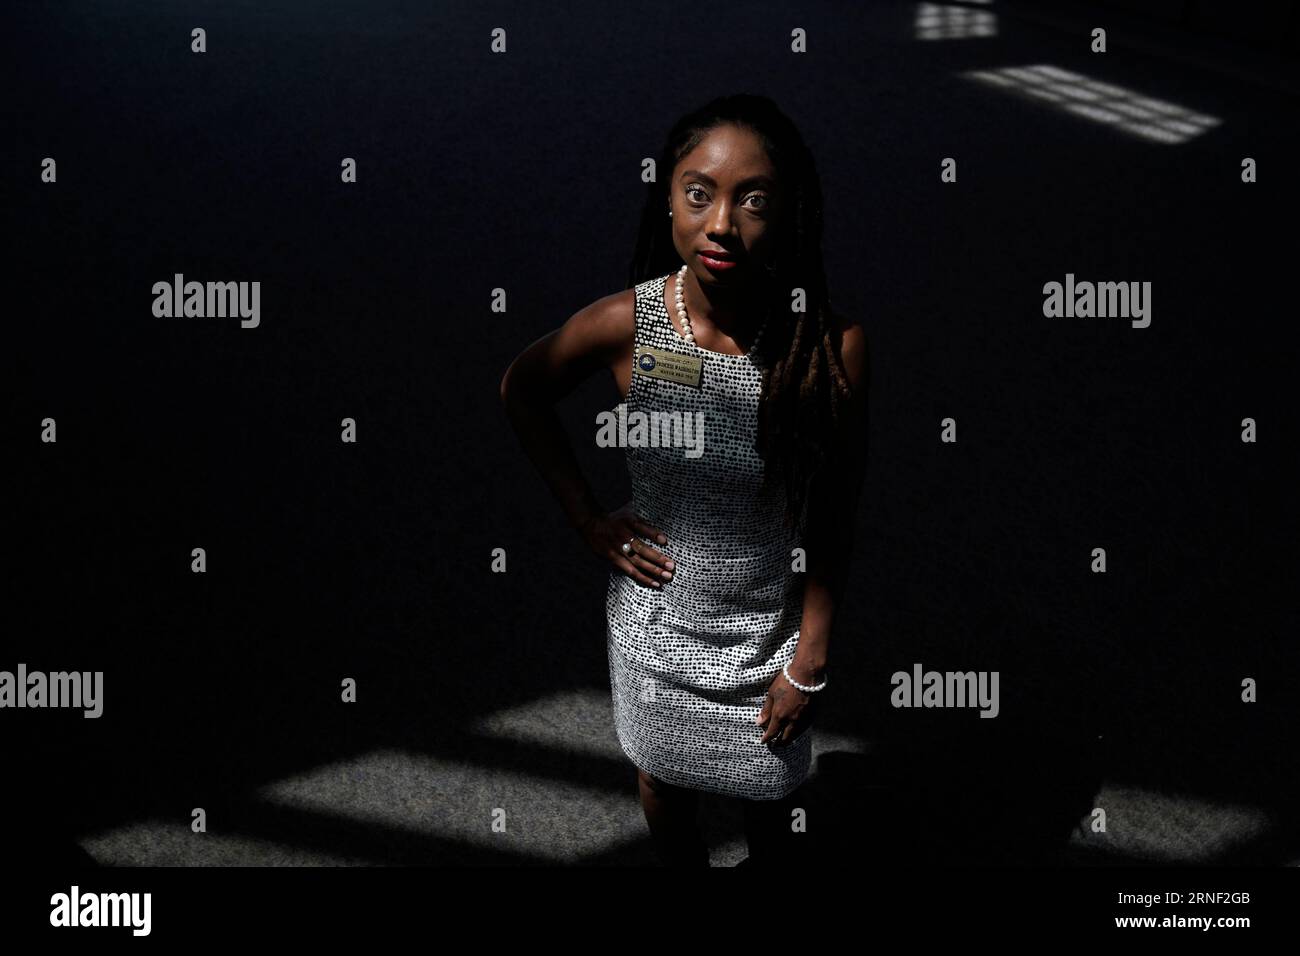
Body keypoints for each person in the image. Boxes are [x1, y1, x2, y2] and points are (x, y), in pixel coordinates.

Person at [500, 93, 867, 866]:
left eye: (753, 201)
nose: (722, 224)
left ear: (789, 214)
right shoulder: (627, 323)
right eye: (698, 193)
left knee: (770, 806)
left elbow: (837, 506)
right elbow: (522, 389)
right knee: (664, 790)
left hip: (770, 631)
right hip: (656, 636)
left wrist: (812, 656)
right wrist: (588, 518)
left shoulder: (831, 346)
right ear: (667, 198)